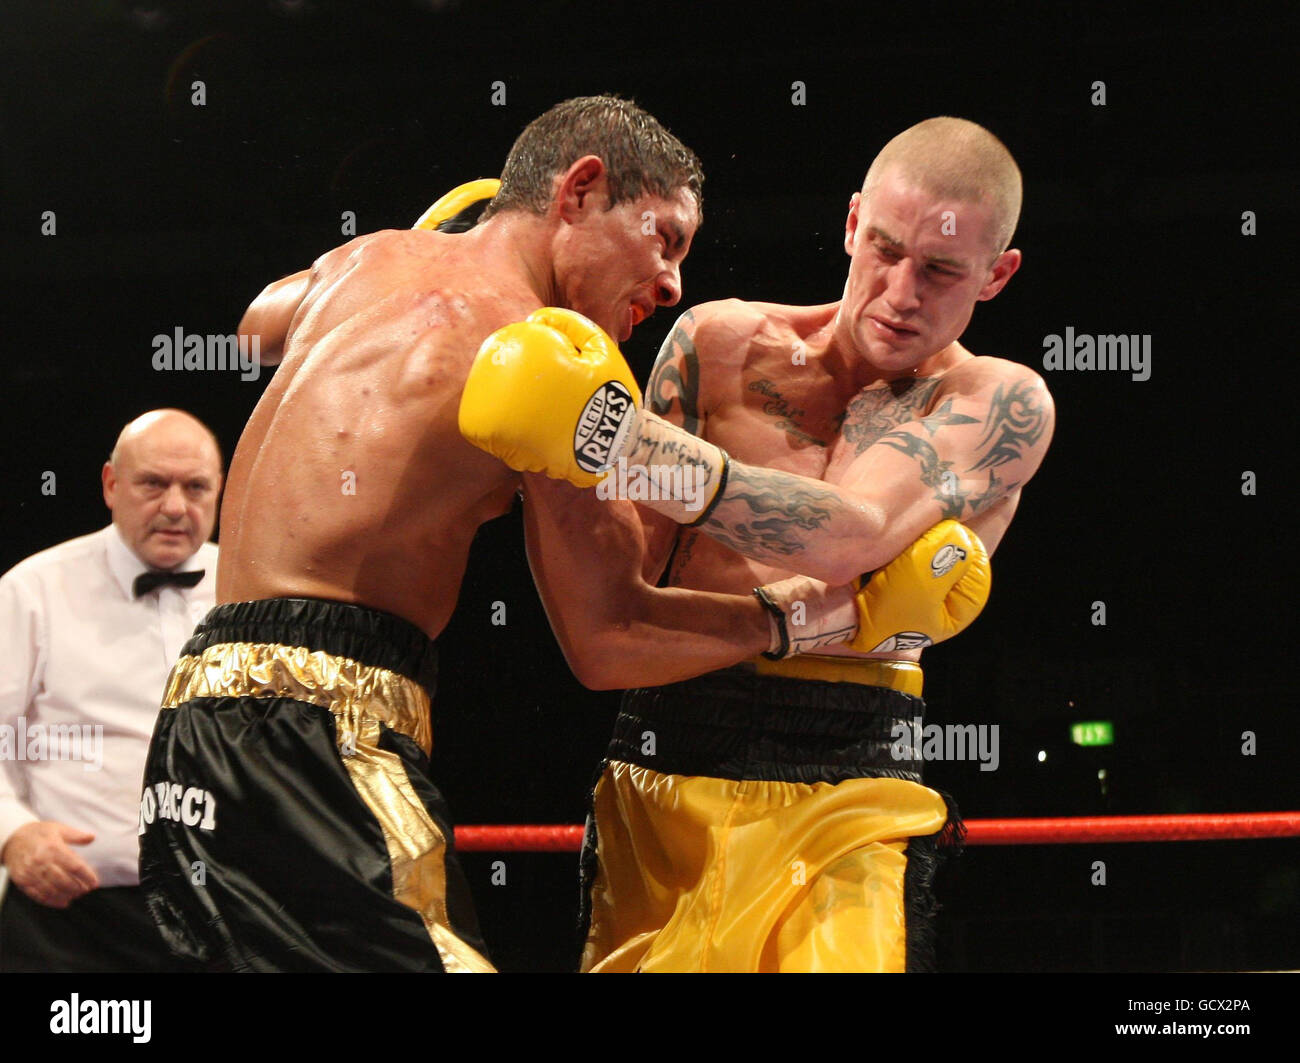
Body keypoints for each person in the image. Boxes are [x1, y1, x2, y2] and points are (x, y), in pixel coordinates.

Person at [136, 96, 969, 974]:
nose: (675, 282)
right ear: (581, 189)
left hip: (193, 717)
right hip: (324, 736)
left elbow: (255, 329)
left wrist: (434, 243)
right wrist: (797, 620)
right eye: (666, 238)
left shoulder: (367, 258)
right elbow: (609, 637)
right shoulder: (552, 354)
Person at [461, 116, 1055, 971]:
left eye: (939, 271)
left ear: (996, 275)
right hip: (663, 758)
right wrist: (552, 464)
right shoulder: (718, 343)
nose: (900, 291)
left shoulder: (997, 400)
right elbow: (604, 623)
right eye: (884, 250)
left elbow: (851, 534)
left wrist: (617, 446)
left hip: (853, 783)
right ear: (851, 224)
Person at [0, 409, 222, 971]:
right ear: (111, 485)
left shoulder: (251, 590)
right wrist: (13, 834)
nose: (176, 506)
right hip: (71, 924)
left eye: (196, 487)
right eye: (154, 484)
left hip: (223, 914)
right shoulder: (35, 590)